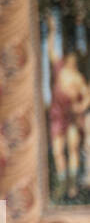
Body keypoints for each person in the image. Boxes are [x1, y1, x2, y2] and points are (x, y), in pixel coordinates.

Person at [46, 11, 90, 200]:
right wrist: (52, 29)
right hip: (57, 116)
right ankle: (62, 185)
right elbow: (50, 50)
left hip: (72, 117)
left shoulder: (78, 78)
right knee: (57, 151)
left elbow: (88, 94)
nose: (72, 59)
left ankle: (72, 186)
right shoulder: (59, 68)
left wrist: (81, 107)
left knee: (73, 148)